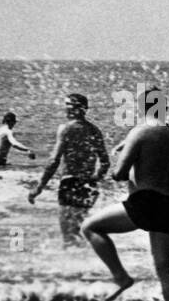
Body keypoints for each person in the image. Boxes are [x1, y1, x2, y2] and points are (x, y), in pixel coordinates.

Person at [80, 87, 169, 301]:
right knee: (164, 269)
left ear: (142, 107)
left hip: (146, 201)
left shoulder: (140, 132)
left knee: (90, 227)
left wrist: (124, 155)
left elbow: (119, 174)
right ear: (164, 107)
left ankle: (121, 277)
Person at [29, 93, 111, 244]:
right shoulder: (95, 130)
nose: (65, 109)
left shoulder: (65, 129)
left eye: (67, 105)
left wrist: (39, 187)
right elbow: (105, 163)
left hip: (70, 182)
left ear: (75, 108)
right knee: (79, 231)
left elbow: (54, 160)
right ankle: (84, 262)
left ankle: (71, 264)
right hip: (88, 186)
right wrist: (95, 178)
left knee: (68, 235)